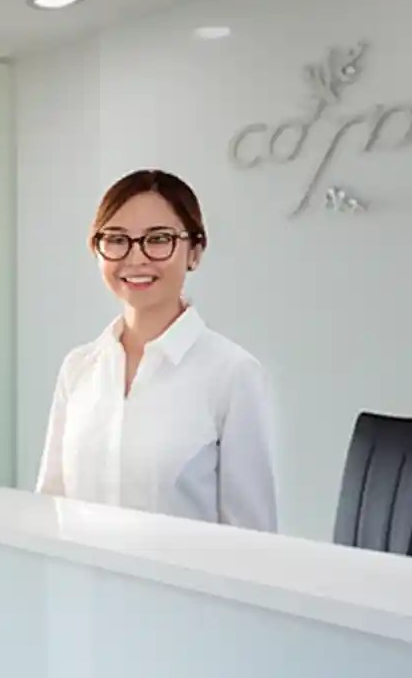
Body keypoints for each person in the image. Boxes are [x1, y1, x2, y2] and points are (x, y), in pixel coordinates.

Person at [35, 169, 277, 532]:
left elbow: (253, 536)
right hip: (79, 587)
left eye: (159, 239)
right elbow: (50, 509)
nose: (136, 258)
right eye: (117, 240)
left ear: (194, 252)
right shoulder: (79, 368)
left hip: (180, 589)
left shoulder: (232, 374)